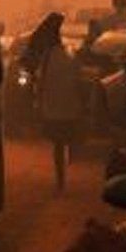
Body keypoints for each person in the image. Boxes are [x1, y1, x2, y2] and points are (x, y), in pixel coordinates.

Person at [33, 13, 85, 194]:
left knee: (57, 144)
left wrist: (39, 103)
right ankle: (63, 174)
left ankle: (60, 178)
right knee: (64, 141)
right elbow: (78, 80)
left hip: (53, 107)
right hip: (68, 106)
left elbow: (40, 83)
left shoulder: (47, 58)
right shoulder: (69, 54)